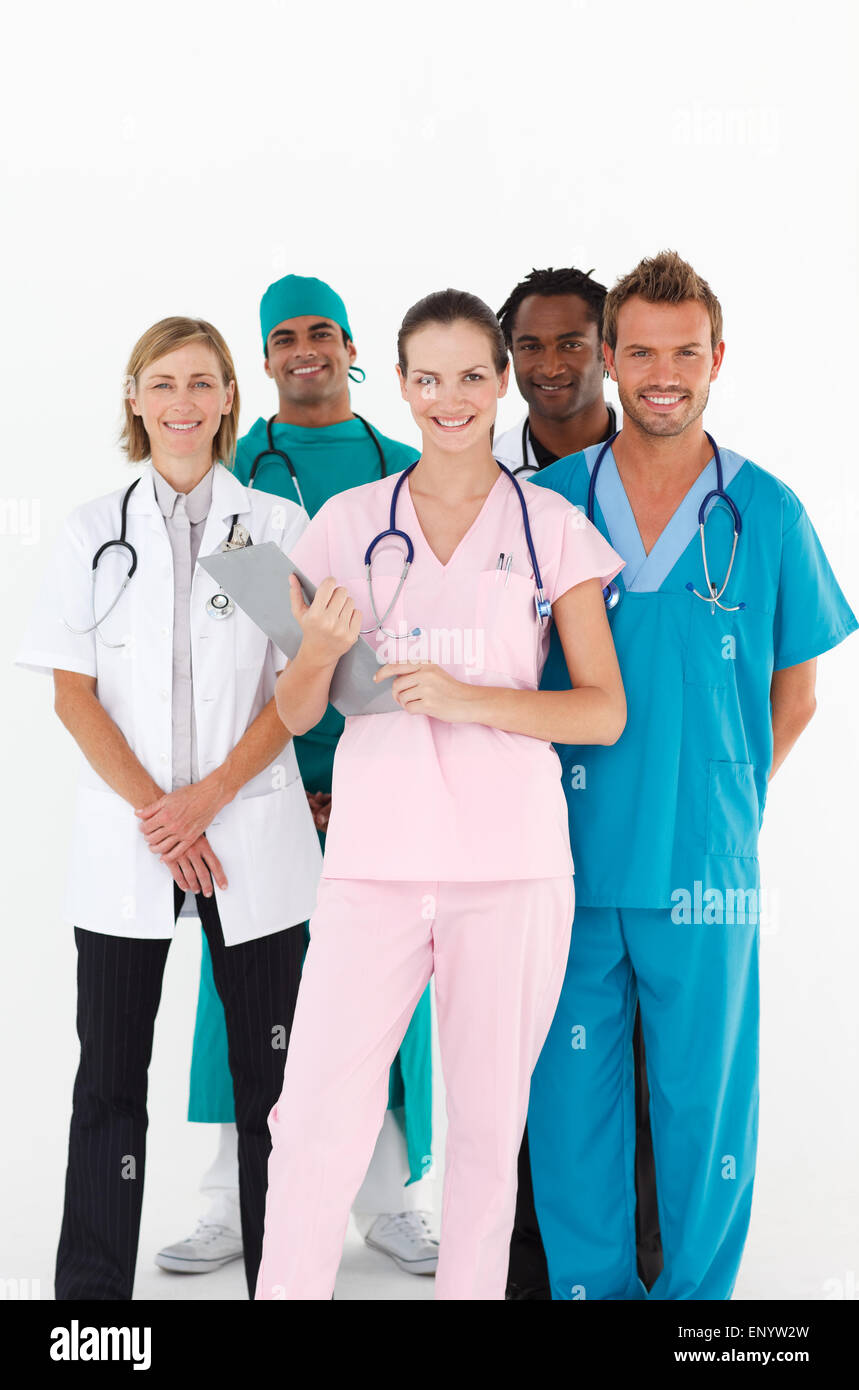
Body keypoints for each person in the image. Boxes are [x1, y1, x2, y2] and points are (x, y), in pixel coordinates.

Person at [254, 288, 627, 1301]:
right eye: (428, 378)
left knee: (486, 1131)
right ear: (401, 384)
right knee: (312, 1117)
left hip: (509, 871)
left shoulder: (549, 525)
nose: (449, 398)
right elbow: (294, 709)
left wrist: (470, 699)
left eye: (470, 375)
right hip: (372, 867)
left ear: (500, 380)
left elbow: (601, 711)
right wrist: (318, 651)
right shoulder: (346, 524)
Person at [526, 251, 858, 1300]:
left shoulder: (767, 510)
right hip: (562, 859)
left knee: (703, 1107)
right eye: (640, 353)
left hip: (704, 869)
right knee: (568, 1107)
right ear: (609, 360)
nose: (662, 374)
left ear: (717, 358)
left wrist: (726, 806)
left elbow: (795, 695)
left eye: (684, 353)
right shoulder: (546, 504)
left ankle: (694, 1313)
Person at [14, 316, 322, 1300]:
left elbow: (303, 690)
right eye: (163, 382)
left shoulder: (269, 528)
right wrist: (163, 814)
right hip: (130, 843)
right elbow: (72, 695)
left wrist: (209, 799)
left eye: (201, 382)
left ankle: (282, 1284)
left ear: (229, 397)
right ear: (134, 398)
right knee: (108, 1083)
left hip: (251, 833)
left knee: (275, 1088)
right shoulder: (90, 531)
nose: (182, 401)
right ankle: (93, 1300)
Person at [157, 276, 437, 1281]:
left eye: (324, 331)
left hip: (385, 768)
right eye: (284, 336)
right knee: (240, 988)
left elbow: (427, 629)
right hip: (260, 772)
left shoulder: (412, 468)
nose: (305, 348)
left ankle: (391, 1201)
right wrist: (268, 776)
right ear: (264, 360)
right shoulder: (229, 475)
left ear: (353, 349)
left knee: (390, 988)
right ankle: (236, 1198)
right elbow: (212, 648)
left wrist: (358, 778)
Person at [497, 266, 660, 1298]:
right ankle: (528, 1272)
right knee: (522, 1057)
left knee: (639, 1067)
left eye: (571, 342)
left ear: (604, 349)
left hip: (641, 830)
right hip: (514, 824)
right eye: (530, 345)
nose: (550, 364)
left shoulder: (668, 480)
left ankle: (641, 1267)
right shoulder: (482, 491)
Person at [493, 266, 617, 477]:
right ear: (511, 352)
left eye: (571, 346)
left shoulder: (660, 457)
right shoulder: (486, 471)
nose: (551, 370)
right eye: (531, 347)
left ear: (607, 353)